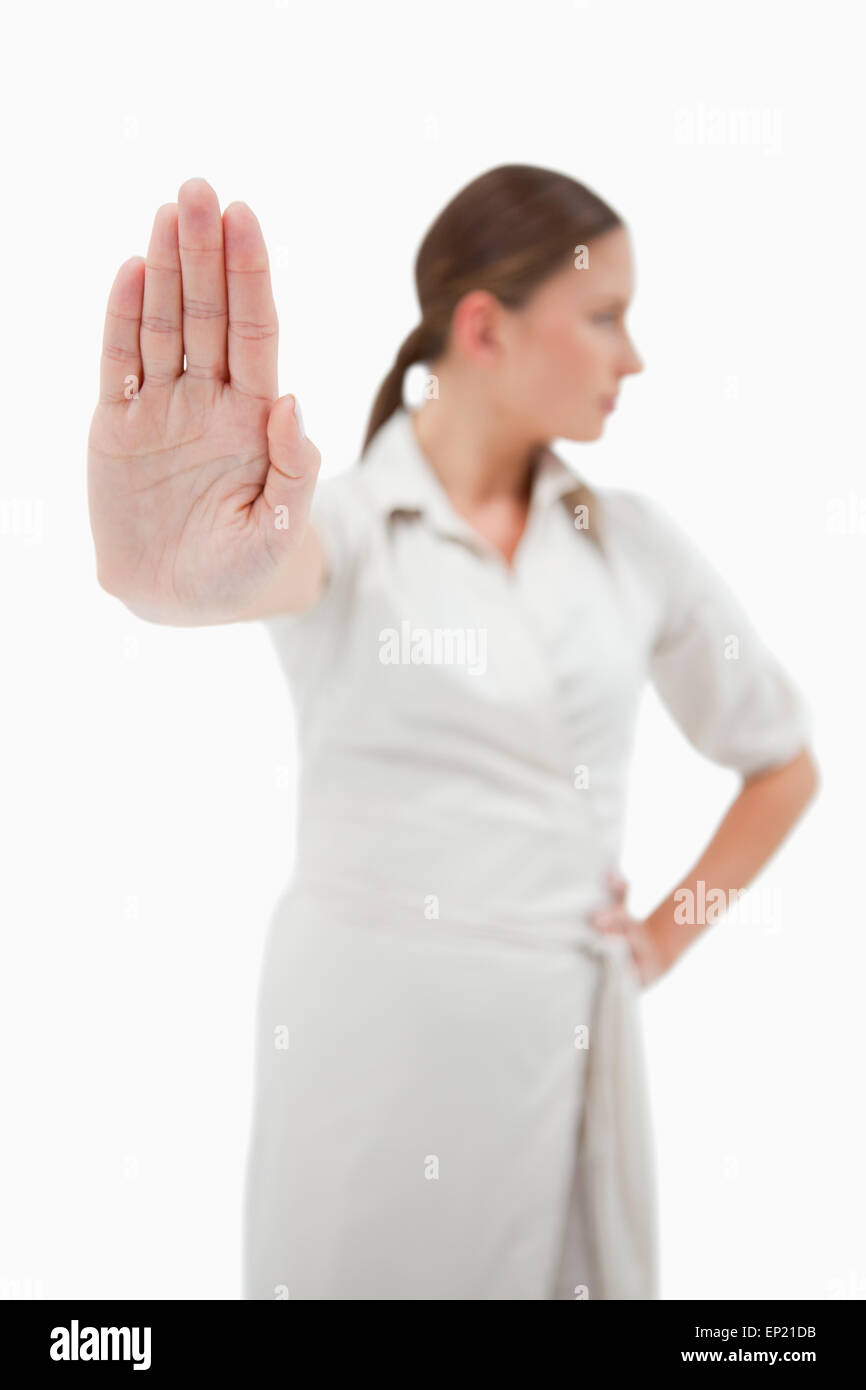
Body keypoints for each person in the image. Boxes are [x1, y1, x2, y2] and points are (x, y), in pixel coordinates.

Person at [87, 164, 819, 1300]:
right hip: (363, 1053)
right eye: (605, 316)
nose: (634, 356)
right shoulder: (345, 528)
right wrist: (168, 574)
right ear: (484, 327)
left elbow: (779, 763)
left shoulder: (629, 543)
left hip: (554, 1048)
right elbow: (250, 575)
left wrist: (663, 939)